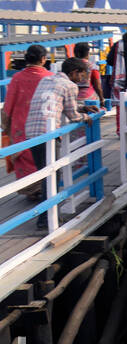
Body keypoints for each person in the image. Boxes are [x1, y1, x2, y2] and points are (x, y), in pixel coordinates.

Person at [25, 57, 92, 230]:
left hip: (32, 132)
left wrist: (82, 107)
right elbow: (73, 115)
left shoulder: (47, 79)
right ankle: (46, 219)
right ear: (74, 73)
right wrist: (85, 116)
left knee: (46, 174)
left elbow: (57, 102)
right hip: (48, 133)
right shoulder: (70, 85)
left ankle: (45, 215)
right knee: (53, 176)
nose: (83, 79)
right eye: (82, 75)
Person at [2, 44, 53, 193]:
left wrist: (6, 127)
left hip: (21, 126)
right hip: (44, 125)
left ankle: (30, 191)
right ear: (43, 59)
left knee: (24, 157)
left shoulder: (17, 78)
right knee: (45, 159)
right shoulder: (50, 78)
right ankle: (46, 190)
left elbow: (8, 106)